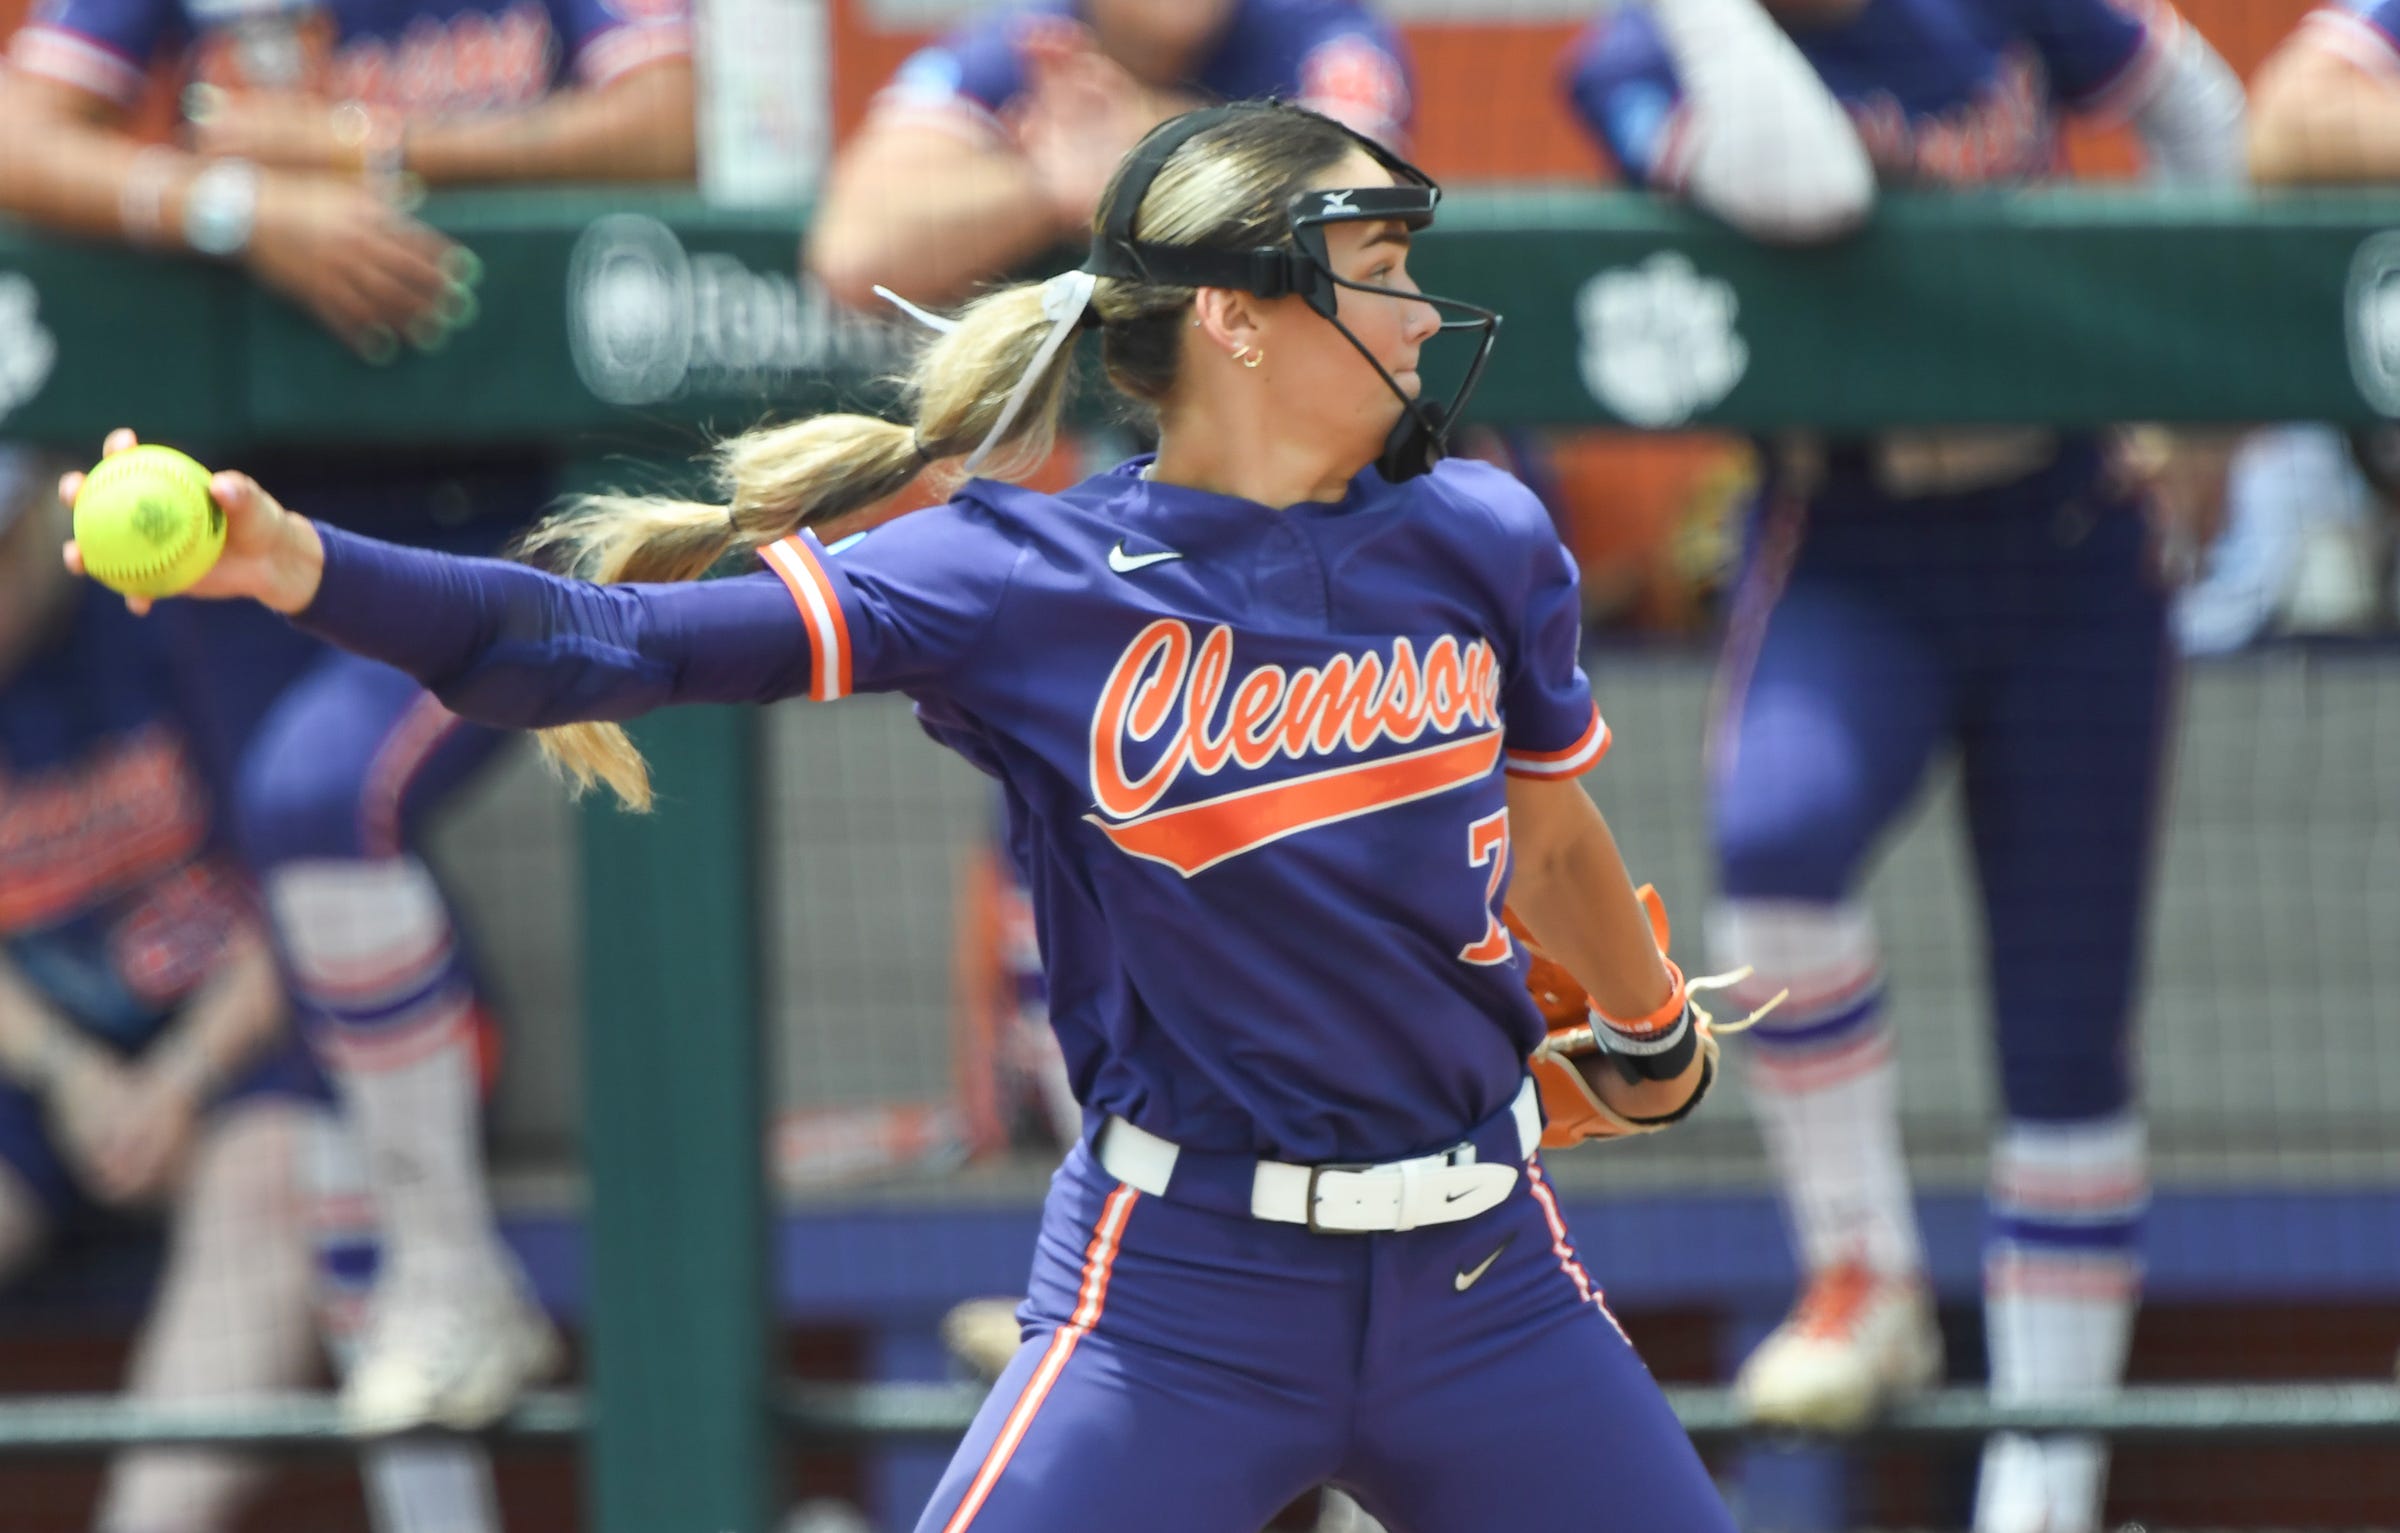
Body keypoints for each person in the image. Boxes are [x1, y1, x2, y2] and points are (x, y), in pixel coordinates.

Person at [71, 101, 1750, 1533]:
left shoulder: (1481, 532)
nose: (1414, 313)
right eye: (1375, 274)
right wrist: (298, 563)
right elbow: (606, 641)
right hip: (1181, 1292)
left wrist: (1654, 1025)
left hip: (1480, 1269)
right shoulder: (1019, 573)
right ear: (1241, 319)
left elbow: (1550, 836)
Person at [1565, 1, 2244, 1529]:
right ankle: (1860, 1267)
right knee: (1777, 838)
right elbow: (1809, 187)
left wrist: (2206, 405)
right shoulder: (1635, 52)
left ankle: (2044, 1493)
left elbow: (2204, 111)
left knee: (2068, 1041)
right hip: (1850, 542)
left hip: (2072, 535)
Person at [0, 0, 695, 1431]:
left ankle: (450, 1274)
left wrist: (367, 152)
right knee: (293, 860)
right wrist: (230, 203)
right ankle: (436, 1292)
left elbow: (668, 126)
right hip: (271, 500)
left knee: (320, 798)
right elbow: (18, 130)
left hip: (521, 495)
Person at [0, 447, 500, 1533]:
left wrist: (176, 1081)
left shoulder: (169, 610)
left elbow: (314, 883)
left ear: (38, 508)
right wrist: (70, 1072)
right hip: (56, 1065)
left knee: (274, 1177)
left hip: (258, 1045)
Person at [806, 0, 1411, 310]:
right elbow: (854, 254)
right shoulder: (1034, 38)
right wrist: (1045, 188)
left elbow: (1350, 207)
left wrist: (1149, 153)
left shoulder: (1315, 28)